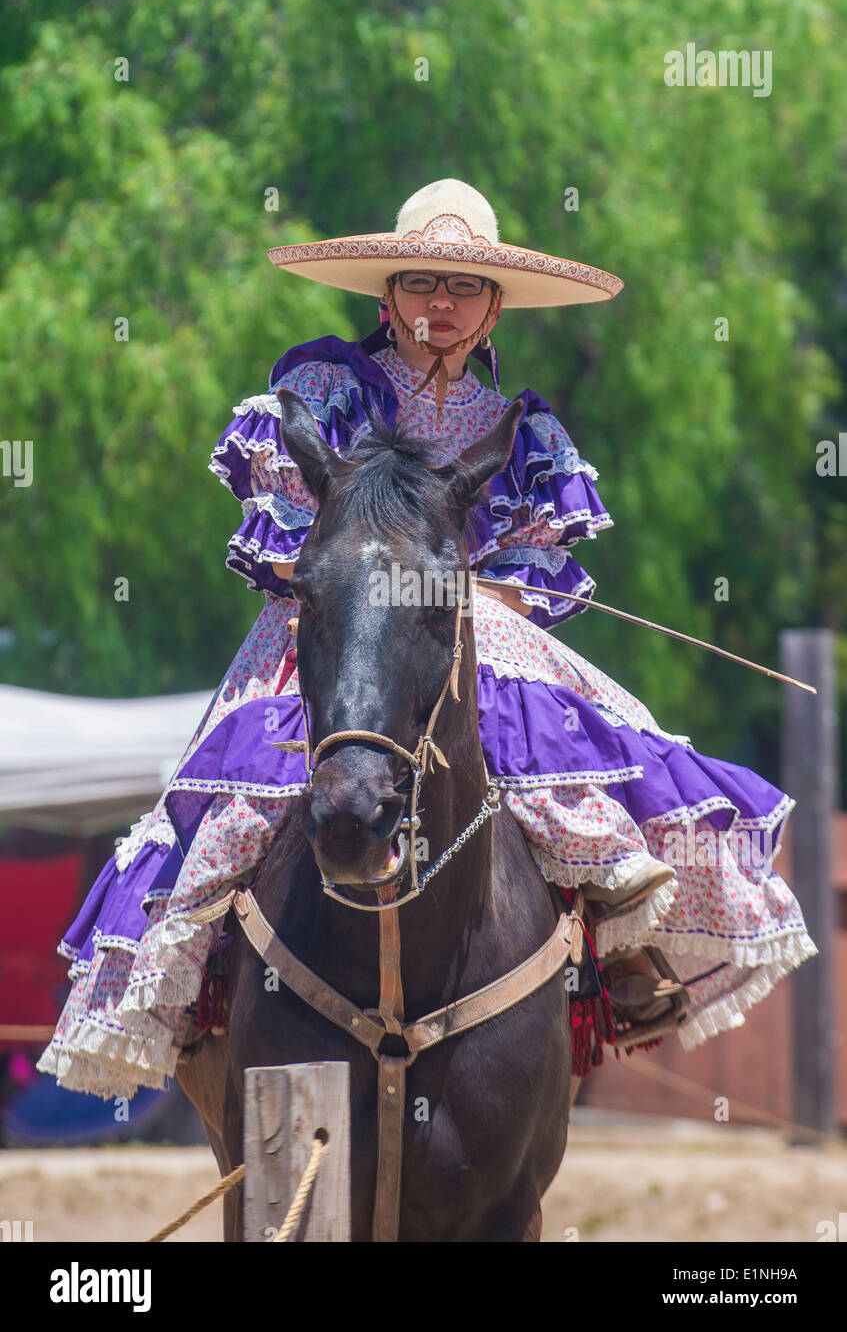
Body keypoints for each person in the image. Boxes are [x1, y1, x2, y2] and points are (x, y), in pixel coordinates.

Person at [38, 179, 816, 1101]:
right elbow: (287, 540)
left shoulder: (517, 428)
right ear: (386, 297)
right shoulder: (321, 387)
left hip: (472, 623)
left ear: (493, 311)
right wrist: (379, 582)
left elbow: (534, 570)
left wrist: (460, 593)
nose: (439, 306)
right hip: (327, 617)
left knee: (566, 739)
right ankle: (188, 980)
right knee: (240, 789)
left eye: (463, 290)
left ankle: (618, 946)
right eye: (420, 285)